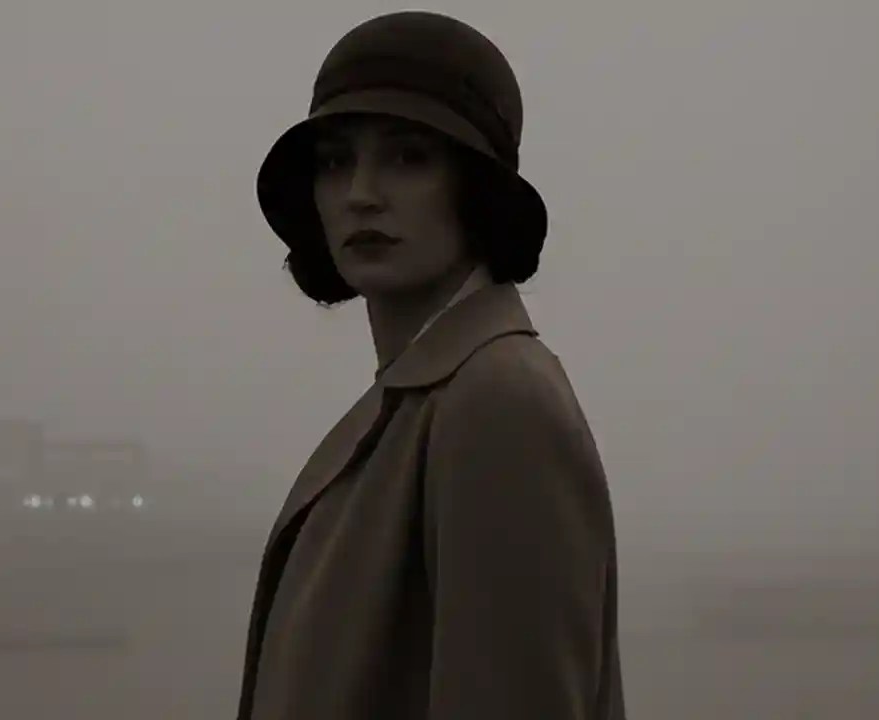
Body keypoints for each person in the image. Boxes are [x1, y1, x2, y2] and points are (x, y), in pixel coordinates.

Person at [237, 10, 625, 720]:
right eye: (334, 161)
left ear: (474, 189)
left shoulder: (499, 401)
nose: (360, 192)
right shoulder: (424, 401)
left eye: (408, 156)